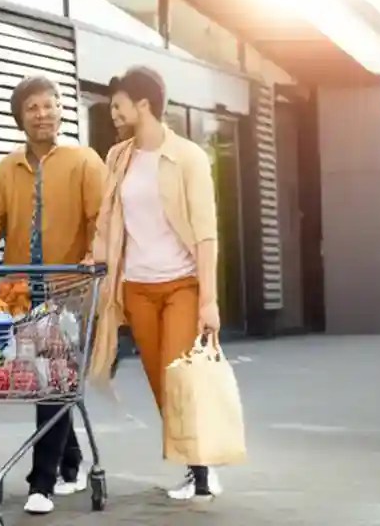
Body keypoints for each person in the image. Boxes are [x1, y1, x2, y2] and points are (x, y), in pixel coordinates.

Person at [0, 75, 106, 516]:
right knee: (46, 382)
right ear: (20, 118)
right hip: (22, 291)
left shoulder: (85, 161)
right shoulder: (7, 169)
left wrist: (92, 254)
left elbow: (103, 219)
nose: (43, 114)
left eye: (50, 105)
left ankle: (39, 483)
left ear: (62, 110)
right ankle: (74, 461)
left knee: (53, 381)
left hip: (73, 288)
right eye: (33, 108)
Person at [87, 66, 224, 501]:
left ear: (142, 104)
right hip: (137, 286)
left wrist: (209, 300)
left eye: (118, 104)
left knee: (178, 375)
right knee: (158, 381)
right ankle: (192, 463)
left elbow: (205, 232)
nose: (113, 111)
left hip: (180, 283)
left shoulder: (188, 157)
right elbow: (110, 220)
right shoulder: (118, 157)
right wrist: (95, 258)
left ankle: (203, 471)